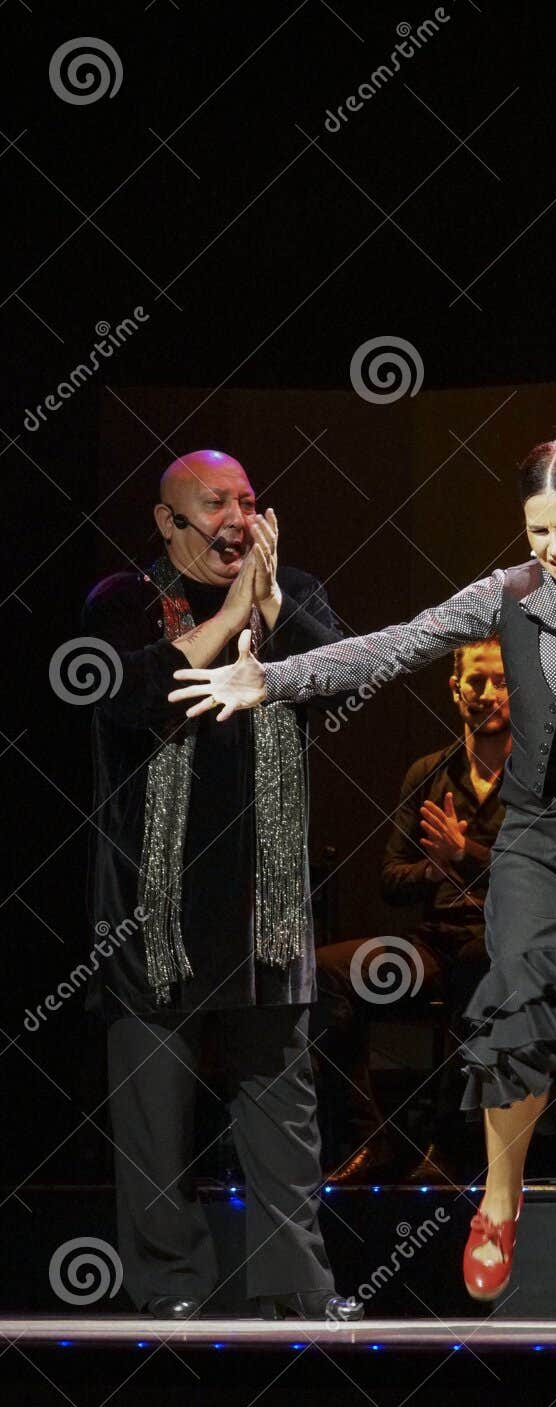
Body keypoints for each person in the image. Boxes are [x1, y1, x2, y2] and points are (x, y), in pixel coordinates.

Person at [169, 438, 556, 1329]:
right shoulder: (505, 595)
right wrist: (272, 679)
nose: (554, 547)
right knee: (523, 1020)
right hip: (541, 844)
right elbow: (394, 647)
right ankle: (499, 1205)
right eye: (537, 530)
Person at [83, 448, 362, 1321]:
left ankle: (298, 1290)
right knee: (156, 1125)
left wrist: (268, 606)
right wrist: (235, 614)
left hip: (262, 911)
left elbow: (338, 680)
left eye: (247, 501)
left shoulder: (293, 592)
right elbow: (135, 695)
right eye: (214, 505)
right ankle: (170, 1287)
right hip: (154, 914)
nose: (237, 520)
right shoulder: (121, 600)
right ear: (167, 522)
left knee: (283, 1118)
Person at [314, 638, 509, 1183]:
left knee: (480, 960)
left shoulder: (539, 774)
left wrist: (464, 855)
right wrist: (430, 871)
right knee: (327, 973)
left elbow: (541, 876)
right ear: (455, 689)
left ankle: (449, 1146)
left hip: (505, 944)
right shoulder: (428, 771)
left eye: (501, 681)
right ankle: (371, 1138)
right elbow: (390, 879)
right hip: (434, 944)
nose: (488, 693)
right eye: (476, 681)